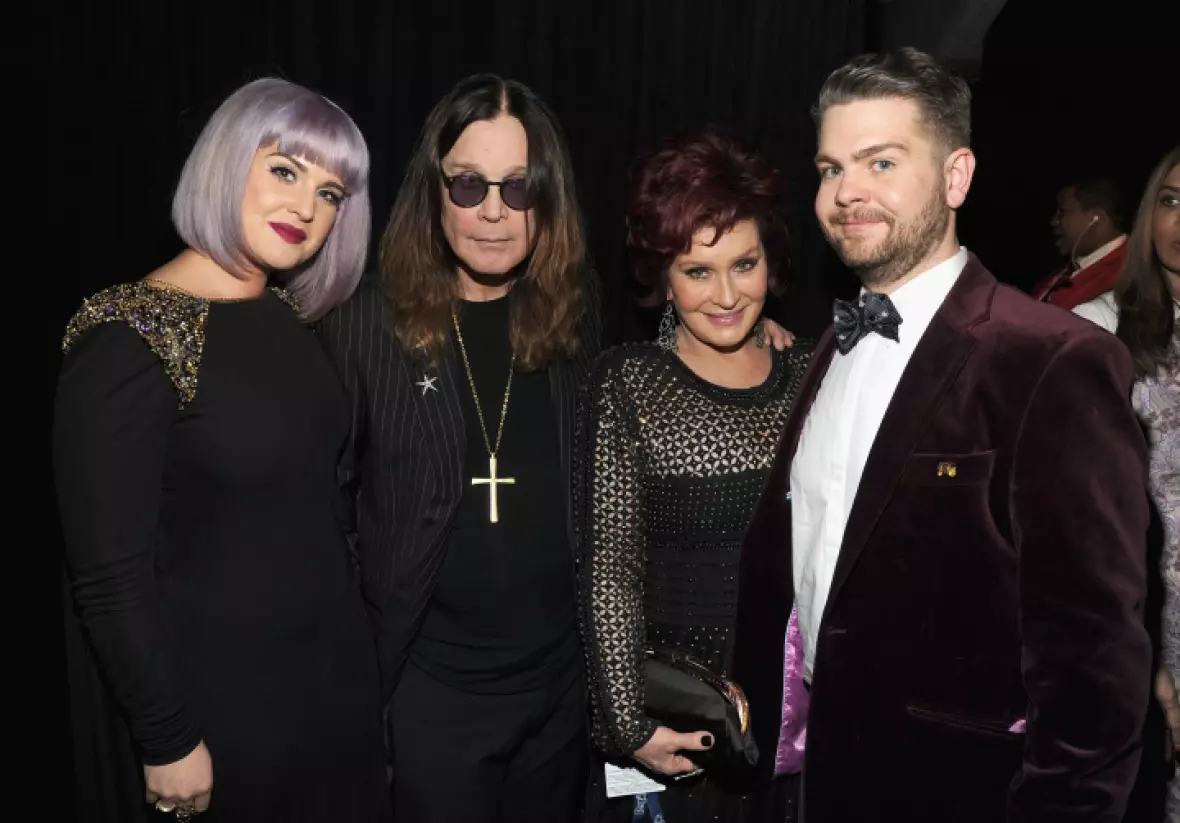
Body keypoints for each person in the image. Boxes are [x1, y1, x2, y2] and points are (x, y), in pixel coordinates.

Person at [732, 48, 1152, 822]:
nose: (846, 192)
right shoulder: (828, 347)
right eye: (830, 169)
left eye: (880, 162)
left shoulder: (1056, 362)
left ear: (957, 176)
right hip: (810, 782)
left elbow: (1094, 665)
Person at [54, 78, 389, 822]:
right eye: (285, 170)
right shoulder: (128, 336)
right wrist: (168, 736)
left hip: (333, 694)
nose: (308, 207)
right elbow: (108, 577)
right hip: (222, 714)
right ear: (225, 160)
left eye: (332, 192)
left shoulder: (288, 320)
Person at [577, 129, 812, 823]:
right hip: (677, 719)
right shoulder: (630, 384)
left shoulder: (809, 375)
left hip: (791, 718)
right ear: (662, 276)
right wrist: (627, 723)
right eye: (697, 270)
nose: (727, 294)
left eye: (745, 264)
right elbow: (610, 568)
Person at [1074, 144, 1180, 817]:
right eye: (1169, 200)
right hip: (1145, 624)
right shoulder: (1099, 331)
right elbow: (1083, 521)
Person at [1031, 174, 1129, 309]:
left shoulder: (1128, 276)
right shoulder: (1064, 271)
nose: (1054, 221)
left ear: (1096, 218)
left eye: (1063, 212)